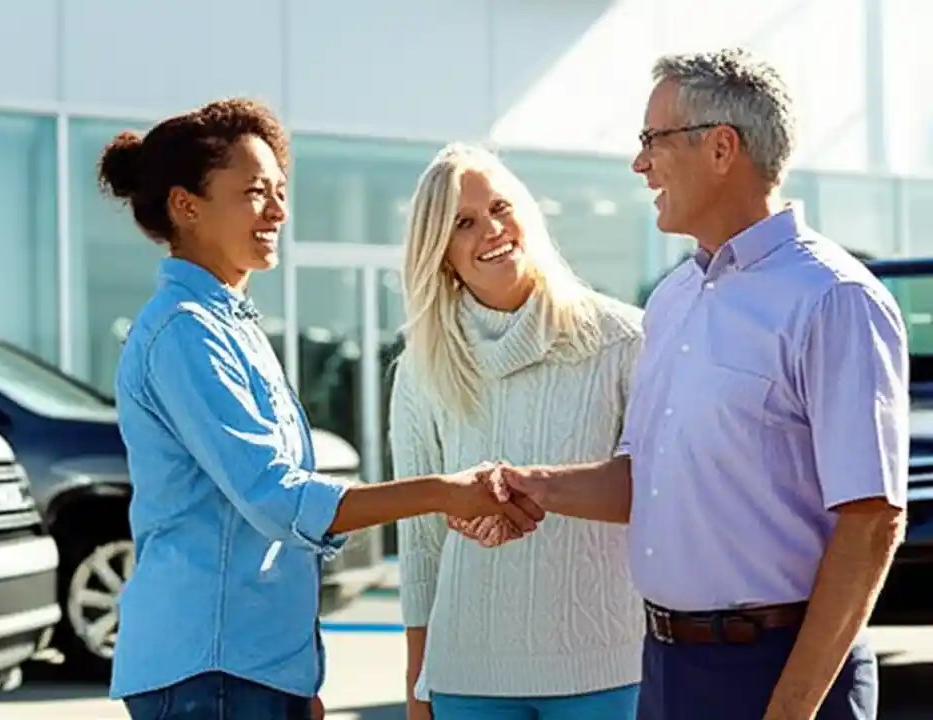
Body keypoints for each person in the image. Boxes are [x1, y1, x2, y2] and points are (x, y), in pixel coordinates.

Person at [470, 48, 909, 719]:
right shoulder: (675, 297)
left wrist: (789, 710)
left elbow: (873, 519)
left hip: (784, 675)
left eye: (653, 139)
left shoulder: (835, 299)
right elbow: (643, 474)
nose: (639, 163)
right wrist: (532, 487)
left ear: (722, 147)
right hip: (669, 669)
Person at [97, 98, 542, 720]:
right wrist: (445, 493)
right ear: (186, 206)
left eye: (280, 190)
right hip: (211, 670)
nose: (278, 210)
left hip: (252, 668)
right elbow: (278, 498)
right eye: (255, 192)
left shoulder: (231, 324)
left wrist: (297, 677)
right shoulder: (185, 331)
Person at [391, 142, 645, 720]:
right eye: (464, 222)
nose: (492, 230)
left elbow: (655, 492)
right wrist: (417, 682)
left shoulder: (624, 340)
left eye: (501, 207)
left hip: (606, 669)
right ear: (441, 252)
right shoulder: (422, 363)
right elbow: (421, 539)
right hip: (467, 674)